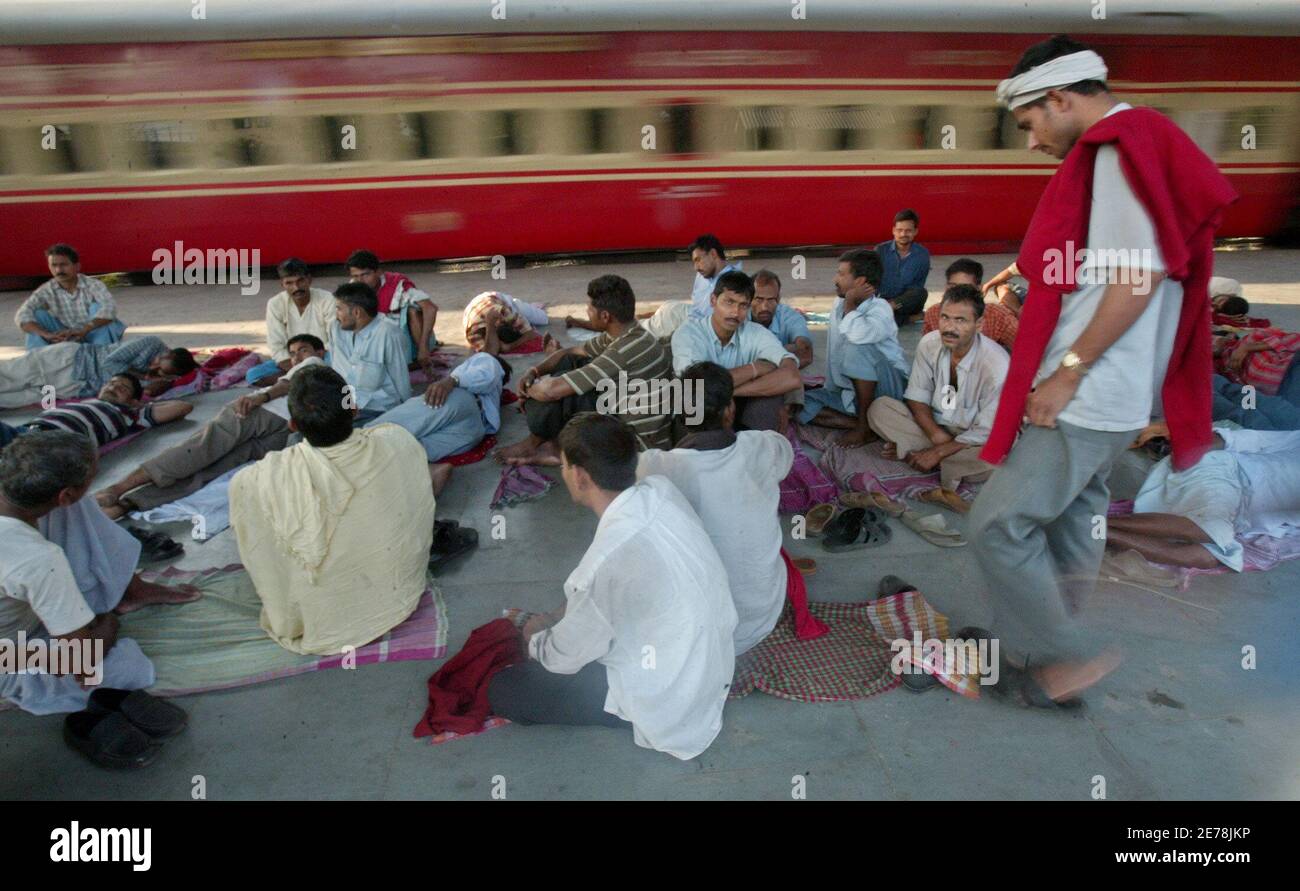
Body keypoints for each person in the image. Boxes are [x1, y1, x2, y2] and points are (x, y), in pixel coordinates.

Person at [968, 35, 1236, 708]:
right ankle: (1037, 652)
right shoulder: (1142, 145)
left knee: (996, 525)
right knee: (1071, 522)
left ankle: (1070, 656)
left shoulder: (1115, 152)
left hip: (1087, 396)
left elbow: (1135, 280)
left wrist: (1066, 373)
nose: (1031, 143)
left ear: (1059, 98)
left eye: (1030, 124)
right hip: (1117, 398)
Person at [487, 413, 738, 760]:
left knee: (506, 690)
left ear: (579, 475)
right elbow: (604, 595)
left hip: (672, 697)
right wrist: (560, 614)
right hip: (712, 663)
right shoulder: (660, 490)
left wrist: (536, 637)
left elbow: (562, 660)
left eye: (562, 466)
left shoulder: (607, 561)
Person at [228, 365, 435, 656]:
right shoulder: (398, 441)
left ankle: (306, 606)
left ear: (293, 426)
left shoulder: (254, 482)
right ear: (354, 410)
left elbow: (261, 552)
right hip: (401, 597)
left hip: (328, 625)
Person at [0, 431, 200, 716]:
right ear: (64, 495)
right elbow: (79, 663)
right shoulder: (37, 559)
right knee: (125, 667)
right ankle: (90, 615)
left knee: (78, 507)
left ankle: (132, 589)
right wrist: (108, 627)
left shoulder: (18, 506)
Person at [636, 362, 790, 655]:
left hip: (698, 631)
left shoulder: (654, 465)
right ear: (730, 410)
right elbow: (783, 455)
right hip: (760, 615)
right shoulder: (761, 445)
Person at [94, 335, 327, 519]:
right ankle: (125, 500)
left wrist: (262, 397)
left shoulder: (316, 364)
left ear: (320, 352)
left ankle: (122, 494)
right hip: (286, 426)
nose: (297, 357)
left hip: (265, 414)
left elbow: (290, 382)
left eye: (303, 350)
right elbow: (288, 380)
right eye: (293, 353)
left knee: (201, 452)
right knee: (211, 465)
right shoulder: (331, 376)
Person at [497, 275, 674, 465]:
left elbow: (551, 391)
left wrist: (528, 388)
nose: (586, 311)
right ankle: (554, 444)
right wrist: (533, 371)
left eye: (590, 308)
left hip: (638, 444)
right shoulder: (629, 333)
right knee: (572, 362)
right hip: (629, 412)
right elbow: (572, 351)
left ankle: (543, 446)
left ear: (605, 316)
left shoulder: (623, 350)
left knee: (561, 394)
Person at [869, 285, 1008, 510]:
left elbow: (987, 430)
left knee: (994, 458)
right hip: (935, 428)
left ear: (979, 325)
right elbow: (916, 396)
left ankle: (916, 454)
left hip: (973, 438)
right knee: (880, 409)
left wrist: (939, 451)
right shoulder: (930, 343)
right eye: (945, 318)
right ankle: (937, 461)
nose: (950, 328)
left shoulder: (996, 366)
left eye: (961, 321)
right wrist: (936, 438)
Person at [1108, 427, 1300, 570]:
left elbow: (1281, 524)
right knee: (1207, 528)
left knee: (1212, 557)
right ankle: (1098, 523)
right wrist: (1193, 449)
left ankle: (1098, 531)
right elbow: (1251, 439)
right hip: (1226, 472)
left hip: (1235, 513)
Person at [796, 249, 909, 447]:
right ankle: (866, 425)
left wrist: (850, 304)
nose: (835, 279)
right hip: (849, 392)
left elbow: (857, 335)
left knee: (856, 348)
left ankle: (865, 427)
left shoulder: (880, 308)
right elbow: (834, 356)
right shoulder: (838, 304)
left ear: (860, 281)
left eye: (841, 274)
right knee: (797, 405)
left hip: (887, 391)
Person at [367, 344, 511, 493]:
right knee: (410, 449)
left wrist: (451, 381)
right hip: (473, 433)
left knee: (385, 430)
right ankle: (429, 473)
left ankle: (354, 446)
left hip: (462, 400)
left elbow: (485, 373)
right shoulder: (495, 395)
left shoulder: (487, 359)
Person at [671, 270, 801, 433]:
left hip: (736, 404)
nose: (735, 312)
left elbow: (792, 376)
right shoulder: (689, 334)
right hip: (699, 413)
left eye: (743, 305)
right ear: (713, 300)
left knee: (770, 402)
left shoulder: (755, 332)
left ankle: (754, 452)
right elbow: (698, 387)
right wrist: (755, 368)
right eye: (729, 302)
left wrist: (731, 393)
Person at [0, 336, 197, 410]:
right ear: (168, 352)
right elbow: (108, 363)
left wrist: (156, 383)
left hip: (77, 386)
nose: (154, 367)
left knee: (17, 399)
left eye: (161, 371)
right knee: (9, 375)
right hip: (69, 360)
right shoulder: (151, 343)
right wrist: (143, 376)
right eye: (159, 361)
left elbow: (138, 396)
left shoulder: (163, 381)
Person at [18, 373, 193, 450]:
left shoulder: (130, 415)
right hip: (26, 431)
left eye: (122, 388)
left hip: (54, 442)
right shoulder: (85, 402)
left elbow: (183, 407)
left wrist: (142, 404)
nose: (114, 386)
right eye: (111, 383)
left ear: (133, 401)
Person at [328, 281, 412, 424]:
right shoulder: (336, 328)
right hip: (346, 406)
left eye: (339, 309)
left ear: (357, 312)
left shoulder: (388, 333)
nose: (336, 315)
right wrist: (346, 408)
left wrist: (406, 416)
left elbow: (400, 377)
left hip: (379, 409)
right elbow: (340, 375)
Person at [15, 244, 126, 351]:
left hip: (93, 333)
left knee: (98, 309)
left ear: (77, 266)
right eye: (54, 265)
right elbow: (22, 314)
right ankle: (39, 362)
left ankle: (102, 359)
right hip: (65, 336)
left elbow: (110, 308)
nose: (58, 270)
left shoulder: (93, 285)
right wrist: (46, 334)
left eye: (63, 265)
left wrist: (85, 330)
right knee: (36, 315)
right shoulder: (46, 290)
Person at [245, 257, 336, 385]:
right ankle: (307, 379)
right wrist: (293, 364)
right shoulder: (275, 303)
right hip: (292, 360)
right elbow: (276, 344)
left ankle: (293, 381)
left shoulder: (326, 299)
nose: (296, 287)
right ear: (282, 284)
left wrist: (312, 359)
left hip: (321, 356)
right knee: (253, 375)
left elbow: (334, 339)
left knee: (337, 364)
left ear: (309, 280)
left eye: (300, 281)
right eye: (289, 283)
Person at [345, 249, 439, 368]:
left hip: (405, 340)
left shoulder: (397, 284)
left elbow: (430, 308)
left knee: (413, 310)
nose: (360, 281)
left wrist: (423, 347)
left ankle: (419, 358)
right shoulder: (352, 288)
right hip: (374, 341)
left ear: (378, 272)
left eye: (365, 274)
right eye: (355, 276)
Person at [922, 258, 1019, 352]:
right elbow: (929, 352)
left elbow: (1024, 345)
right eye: (953, 287)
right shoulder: (932, 314)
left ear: (978, 289)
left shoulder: (998, 315)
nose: (959, 292)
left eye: (965, 288)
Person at [875, 209, 931, 325]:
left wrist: (894, 304)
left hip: (904, 304)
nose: (903, 234)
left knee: (920, 293)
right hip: (880, 301)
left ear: (915, 231)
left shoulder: (922, 255)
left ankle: (886, 313)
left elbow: (916, 288)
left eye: (908, 231)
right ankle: (908, 319)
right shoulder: (880, 251)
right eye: (899, 230)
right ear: (893, 230)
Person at [750, 269, 813, 368]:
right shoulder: (739, 317)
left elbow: (806, 352)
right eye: (759, 299)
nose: (764, 307)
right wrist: (782, 354)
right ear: (748, 298)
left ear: (778, 299)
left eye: (771, 300)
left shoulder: (790, 316)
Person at [462, 291, 545, 354]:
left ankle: (516, 304)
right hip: (478, 305)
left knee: (543, 319)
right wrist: (490, 325)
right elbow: (489, 353)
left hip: (495, 298)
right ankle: (519, 307)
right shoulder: (474, 333)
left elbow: (531, 333)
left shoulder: (503, 312)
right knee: (528, 315)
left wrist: (510, 346)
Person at [687, 233, 741, 319]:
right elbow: (695, 308)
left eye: (698, 260)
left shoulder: (736, 281)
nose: (696, 267)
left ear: (713, 254)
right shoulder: (701, 276)